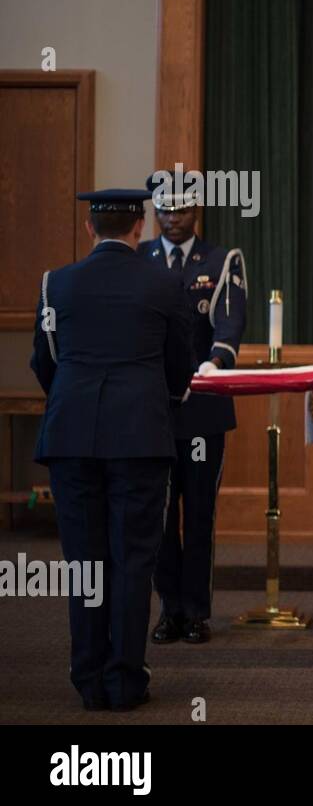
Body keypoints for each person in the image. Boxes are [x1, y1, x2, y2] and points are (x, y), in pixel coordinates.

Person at [31, 188, 194, 711]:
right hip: (140, 437)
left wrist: (74, 397)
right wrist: (151, 398)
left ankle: (88, 677)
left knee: (85, 562)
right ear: (140, 226)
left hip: (72, 436)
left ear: (89, 228)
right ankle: (125, 679)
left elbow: (44, 360)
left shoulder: (57, 283)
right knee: (132, 560)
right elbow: (180, 366)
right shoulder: (165, 284)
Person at [139, 176, 247, 645]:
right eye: (164, 211)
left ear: (196, 211)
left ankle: (198, 611)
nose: (172, 219)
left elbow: (230, 321)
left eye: (181, 211)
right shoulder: (140, 259)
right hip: (153, 410)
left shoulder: (222, 260)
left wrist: (214, 361)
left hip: (202, 407)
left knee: (199, 513)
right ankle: (169, 610)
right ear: (154, 213)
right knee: (161, 516)